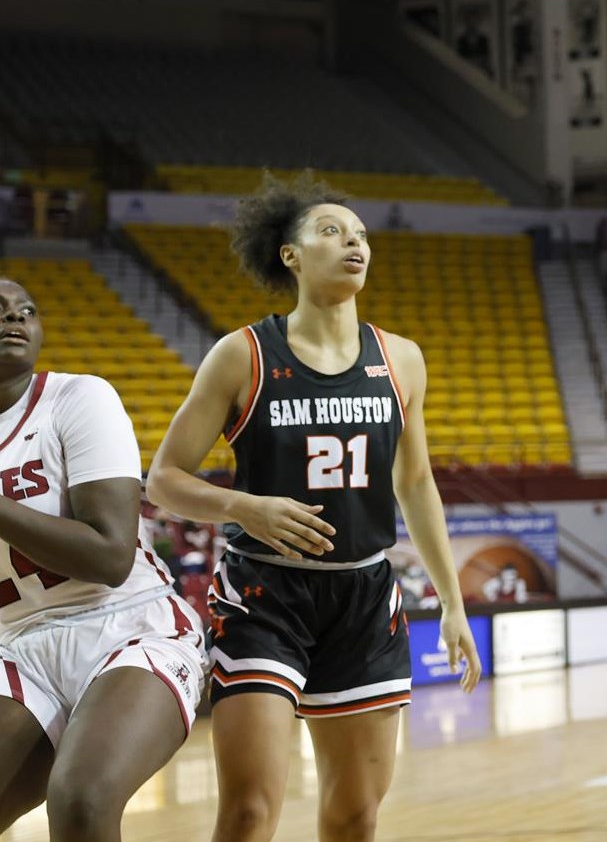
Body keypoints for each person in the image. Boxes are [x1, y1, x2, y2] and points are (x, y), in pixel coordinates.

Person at [147, 173, 481, 842]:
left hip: (364, 596)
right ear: (290, 254)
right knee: (247, 813)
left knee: (355, 816)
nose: (353, 242)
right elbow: (163, 479)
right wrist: (247, 504)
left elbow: (415, 484)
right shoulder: (242, 354)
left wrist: (451, 601)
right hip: (263, 593)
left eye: (359, 234)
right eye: (331, 230)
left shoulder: (401, 359)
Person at [0, 278, 206, 841]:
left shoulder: (78, 397)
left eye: (27, 309)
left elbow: (111, 555)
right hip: (16, 646)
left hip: (126, 623)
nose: (15, 317)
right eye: (0, 310)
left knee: (82, 800)